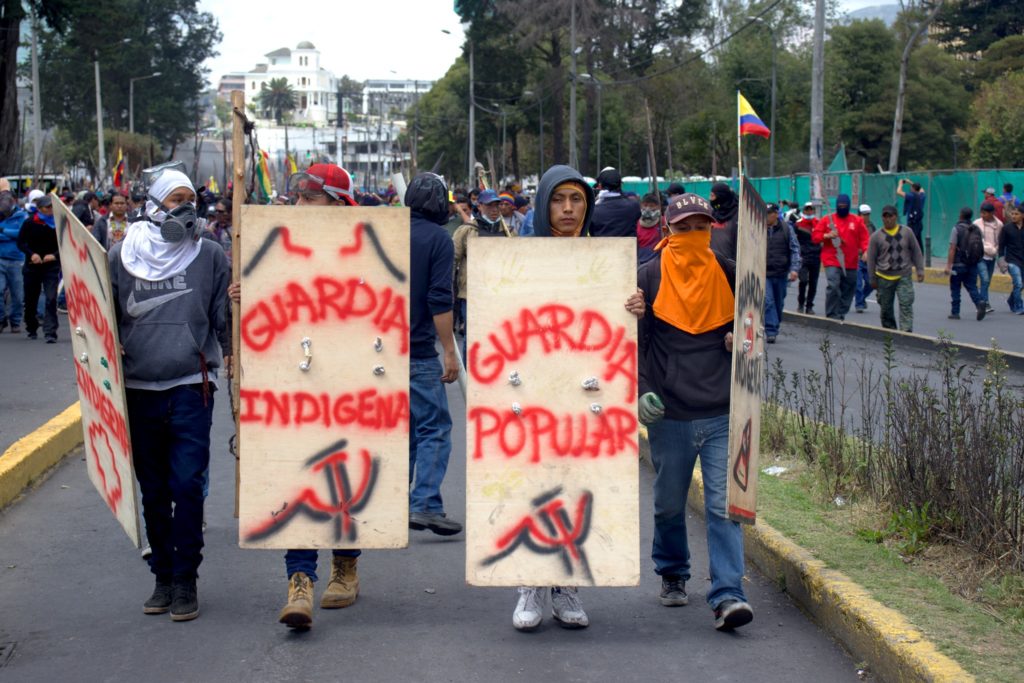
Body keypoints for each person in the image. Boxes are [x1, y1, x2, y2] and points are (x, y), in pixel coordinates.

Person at [109, 168, 229, 621]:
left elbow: (222, 321)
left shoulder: (210, 254)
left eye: (190, 198)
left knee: (187, 485)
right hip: (138, 391)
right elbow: (102, 317)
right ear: (154, 204)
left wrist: (240, 307)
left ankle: (186, 580)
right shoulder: (121, 255)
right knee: (154, 489)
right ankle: (162, 576)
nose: (185, 207)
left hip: (190, 387)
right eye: (175, 198)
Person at [634, 192, 753, 632]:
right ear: (668, 230)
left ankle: (728, 594)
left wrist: (739, 342)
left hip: (723, 412)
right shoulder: (647, 277)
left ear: (711, 229)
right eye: (683, 228)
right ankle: (672, 571)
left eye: (700, 227)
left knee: (724, 508)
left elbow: (754, 334)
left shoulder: (728, 273)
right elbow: (638, 342)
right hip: (670, 414)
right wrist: (643, 390)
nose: (692, 236)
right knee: (668, 503)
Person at [266, 164, 366, 630]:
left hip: (351, 385)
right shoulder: (278, 246)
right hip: (295, 385)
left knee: (343, 475)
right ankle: (300, 579)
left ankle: (345, 565)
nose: (300, 207)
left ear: (338, 203)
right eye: (298, 199)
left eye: (311, 199)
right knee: (296, 479)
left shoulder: (369, 250)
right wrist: (249, 293)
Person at [510, 164, 597, 632]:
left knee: (576, 485)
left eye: (577, 200)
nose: (568, 209)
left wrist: (632, 308)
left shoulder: (604, 259)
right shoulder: (520, 259)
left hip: (582, 391)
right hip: (532, 386)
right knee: (532, 485)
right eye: (559, 200)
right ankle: (529, 583)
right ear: (544, 204)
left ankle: (566, 585)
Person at [404, 172, 463, 539]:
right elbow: (439, 300)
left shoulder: (389, 232)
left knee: (404, 431)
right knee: (434, 429)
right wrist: (450, 352)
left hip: (380, 351)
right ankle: (425, 503)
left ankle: (393, 502)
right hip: (419, 350)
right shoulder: (438, 240)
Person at [452, 189, 508, 363]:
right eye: (490, 205)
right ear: (480, 206)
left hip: (499, 294)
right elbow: (453, 259)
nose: (494, 209)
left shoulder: (507, 232)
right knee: (472, 337)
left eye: (496, 205)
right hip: (471, 295)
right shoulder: (467, 231)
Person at [866, 205, 925, 332]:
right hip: (884, 277)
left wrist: (920, 270)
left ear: (896, 216)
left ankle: (906, 332)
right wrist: (872, 278)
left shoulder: (906, 232)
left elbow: (916, 251)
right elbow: (871, 259)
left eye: (890, 216)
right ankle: (890, 333)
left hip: (903, 275)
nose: (888, 219)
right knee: (886, 309)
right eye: (885, 216)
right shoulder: (876, 237)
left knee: (906, 304)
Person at [812, 194, 869, 320]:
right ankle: (831, 314)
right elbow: (815, 236)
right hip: (832, 259)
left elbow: (865, 238)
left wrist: (866, 251)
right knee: (833, 284)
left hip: (850, 261)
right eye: (840, 206)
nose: (842, 208)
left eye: (844, 206)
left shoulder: (857, 221)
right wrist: (827, 235)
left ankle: (840, 313)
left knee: (849, 287)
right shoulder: (828, 220)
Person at [17, 194, 61, 342]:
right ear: (40, 209)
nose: (50, 210)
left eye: (52, 207)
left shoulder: (58, 224)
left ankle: (50, 331)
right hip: (32, 267)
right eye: (47, 207)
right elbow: (21, 243)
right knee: (31, 300)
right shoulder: (30, 223)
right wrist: (32, 254)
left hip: (51, 267)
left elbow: (64, 244)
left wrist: (54, 255)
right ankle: (31, 326)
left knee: (50, 298)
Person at [763, 203, 801, 343]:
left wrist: (794, 269)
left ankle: (775, 323)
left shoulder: (786, 229)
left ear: (776, 214)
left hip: (781, 273)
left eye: (768, 213)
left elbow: (795, 249)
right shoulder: (758, 228)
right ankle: (771, 330)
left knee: (778, 302)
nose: (766, 216)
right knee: (768, 301)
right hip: (764, 273)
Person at [943, 207, 987, 321]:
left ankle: (955, 312)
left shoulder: (956, 229)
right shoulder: (976, 229)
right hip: (972, 263)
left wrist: (948, 265)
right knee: (972, 286)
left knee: (955, 287)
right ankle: (979, 302)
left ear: (961, 215)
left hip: (959, 264)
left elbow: (952, 248)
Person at [0, 182, 26, 334]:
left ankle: (15, 321)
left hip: (17, 260)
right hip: (1, 258)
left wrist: (4, 231)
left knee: (17, 294)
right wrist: (9, 234)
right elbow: (14, 234)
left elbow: (21, 234)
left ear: (13, 202)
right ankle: (1, 319)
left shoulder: (21, 215)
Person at [589, 167, 641, 237]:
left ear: (600, 186)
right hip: (629, 247)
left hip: (602, 247)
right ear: (620, 185)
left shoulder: (593, 211)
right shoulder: (634, 206)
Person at [973, 202, 1002, 313]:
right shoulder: (976, 223)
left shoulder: (999, 224)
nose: (982, 215)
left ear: (992, 213)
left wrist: (995, 250)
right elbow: (975, 240)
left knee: (987, 281)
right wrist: (988, 249)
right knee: (984, 279)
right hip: (980, 256)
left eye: (985, 213)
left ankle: (984, 302)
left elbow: (999, 240)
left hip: (992, 257)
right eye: (981, 213)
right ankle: (983, 304)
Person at [794, 201, 821, 314]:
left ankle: (809, 306)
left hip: (816, 256)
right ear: (804, 210)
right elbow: (794, 240)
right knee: (803, 280)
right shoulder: (798, 224)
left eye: (811, 209)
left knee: (813, 283)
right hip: (803, 257)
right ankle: (800, 303)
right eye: (807, 209)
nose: (809, 211)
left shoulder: (819, 223)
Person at [997, 202, 1023, 315]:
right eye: (1012, 214)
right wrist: (1001, 259)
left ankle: (1011, 300)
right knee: (1018, 283)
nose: (1013, 216)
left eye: (1016, 214)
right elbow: (1001, 245)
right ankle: (1019, 307)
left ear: (1022, 215)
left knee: (1021, 284)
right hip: (1012, 260)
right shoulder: (1006, 228)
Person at [854, 204, 876, 313]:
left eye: (868, 214)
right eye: (864, 214)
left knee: (871, 283)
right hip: (856, 258)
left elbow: (875, 242)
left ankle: (861, 299)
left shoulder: (872, 227)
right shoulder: (854, 226)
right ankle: (859, 304)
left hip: (869, 259)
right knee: (858, 284)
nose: (866, 216)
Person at [708, 182, 738, 259]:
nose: (710, 198)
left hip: (731, 264)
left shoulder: (737, 215)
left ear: (721, 196)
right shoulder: (712, 214)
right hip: (713, 262)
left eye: (712, 195)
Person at [896, 179, 925, 248]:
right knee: (918, 241)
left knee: (911, 241)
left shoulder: (911, 196)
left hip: (912, 223)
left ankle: (912, 256)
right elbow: (922, 190)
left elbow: (898, 192)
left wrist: (900, 184)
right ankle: (920, 255)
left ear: (912, 188)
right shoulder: (922, 196)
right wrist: (910, 182)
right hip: (919, 223)